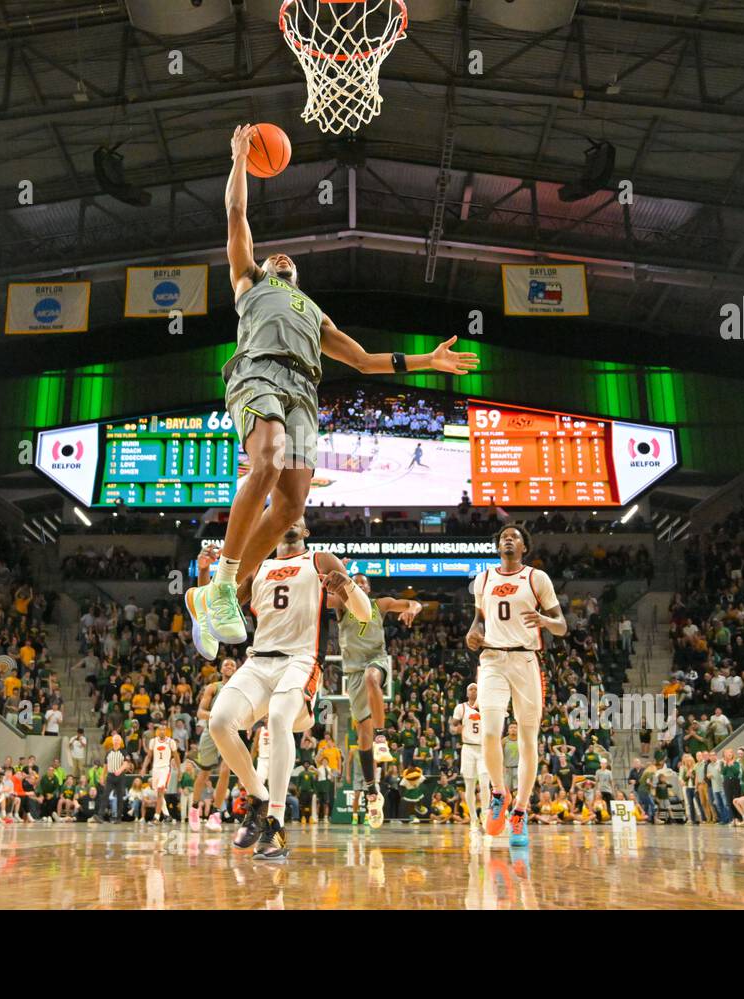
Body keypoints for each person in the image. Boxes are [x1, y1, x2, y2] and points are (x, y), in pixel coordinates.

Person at [182, 124, 478, 659]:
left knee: (293, 503)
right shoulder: (250, 281)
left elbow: (362, 359)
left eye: (288, 261)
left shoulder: (315, 313)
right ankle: (225, 580)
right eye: (277, 258)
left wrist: (426, 361)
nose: (282, 258)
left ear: (298, 277)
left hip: (303, 390)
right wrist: (237, 160)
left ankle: (214, 593)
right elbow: (235, 216)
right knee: (266, 463)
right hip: (259, 372)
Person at [204, 517, 363, 860]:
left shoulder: (320, 560)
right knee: (218, 722)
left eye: (298, 517)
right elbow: (217, 613)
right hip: (259, 662)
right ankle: (258, 798)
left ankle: (275, 823)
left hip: (301, 661)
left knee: (278, 716)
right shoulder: (257, 566)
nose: (290, 518)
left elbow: (365, 614)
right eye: (282, 514)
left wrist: (348, 587)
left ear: (305, 531)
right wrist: (207, 575)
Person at [465, 524, 567, 847]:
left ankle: (520, 812)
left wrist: (546, 622)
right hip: (492, 659)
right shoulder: (483, 579)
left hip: (525, 661)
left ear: (524, 547)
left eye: (515, 536)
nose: (508, 539)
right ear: (498, 546)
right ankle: (498, 792)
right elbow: (479, 619)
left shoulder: (537, 579)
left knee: (527, 739)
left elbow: (562, 626)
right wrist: (473, 632)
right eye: (503, 537)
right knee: (491, 730)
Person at [325, 572, 420, 828]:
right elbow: (323, 598)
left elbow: (414, 603)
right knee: (361, 738)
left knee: (372, 679)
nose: (360, 585)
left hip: (376, 661)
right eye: (355, 581)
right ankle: (371, 791)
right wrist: (332, 576)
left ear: (368, 588)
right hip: (352, 671)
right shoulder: (342, 604)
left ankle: (382, 736)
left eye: (364, 582)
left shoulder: (381, 604)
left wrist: (413, 608)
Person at [188, 655, 237, 831]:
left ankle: (215, 814)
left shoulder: (240, 689)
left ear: (236, 670)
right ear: (221, 669)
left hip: (230, 732)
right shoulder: (213, 687)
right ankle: (194, 809)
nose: (229, 666)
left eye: (233, 664)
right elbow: (200, 712)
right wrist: (215, 716)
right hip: (211, 731)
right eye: (226, 664)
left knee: (225, 771)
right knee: (204, 773)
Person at [450, 682, 489, 834]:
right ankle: (473, 818)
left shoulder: (485, 707)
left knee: (485, 783)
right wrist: (455, 729)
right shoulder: (461, 707)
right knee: (470, 785)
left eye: (476, 689)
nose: (473, 690)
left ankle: (485, 815)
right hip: (468, 748)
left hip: (483, 749)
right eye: (470, 688)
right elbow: (452, 725)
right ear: (467, 693)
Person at [142, 724, 180, 823]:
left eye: (164, 729)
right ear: (157, 731)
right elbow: (149, 756)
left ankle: (157, 817)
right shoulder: (153, 741)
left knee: (160, 790)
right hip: (155, 770)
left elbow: (176, 756)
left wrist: (179, 770)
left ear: (166, 731)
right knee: (158, 793)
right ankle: (167, 815)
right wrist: (143, 767)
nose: (162, 731)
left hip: (165, 769)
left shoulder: (171, 742)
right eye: (160, 729)